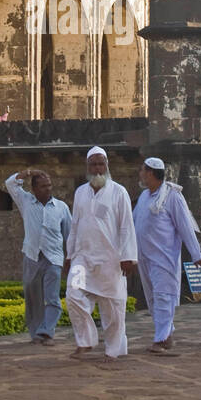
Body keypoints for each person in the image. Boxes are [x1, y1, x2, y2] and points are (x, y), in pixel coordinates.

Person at [65, 146, 137, 362]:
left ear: (107, 166)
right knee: (73, 295)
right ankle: (85, 341)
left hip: (111, 259)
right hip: (82, 257)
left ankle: (113, 350)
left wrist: (128, 256)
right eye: (93, 164)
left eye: (101, 164)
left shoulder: (118, 192)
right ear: (87, 167)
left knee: (113, 307)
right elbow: (74, 226)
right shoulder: (80, 192)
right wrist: (69, 255)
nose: (97, 169)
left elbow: (126, 227)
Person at [133, 157, 201, 355]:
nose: (140, 174)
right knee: (153, 300)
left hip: (164, 257)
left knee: (163, 296)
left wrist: (196, 255)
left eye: (142, 170)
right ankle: (166, 334)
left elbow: (185, 227)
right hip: (144, 257)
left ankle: (161, 339)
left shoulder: (172, 196)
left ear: (150, 173)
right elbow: (134, 223)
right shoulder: (144, 196)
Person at [5, 168, 72, 345]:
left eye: (49, 185)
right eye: (43, 186)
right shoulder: (25, 201)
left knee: (52, 298)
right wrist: (27, 172)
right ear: (34, 189)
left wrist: (70, 257)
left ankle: (47, 332)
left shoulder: (61, 208)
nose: (47, 189)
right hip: (32, 256)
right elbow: (10, 184)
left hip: (54, 258)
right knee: (32, 297)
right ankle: (36, 333)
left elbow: (70, 235)